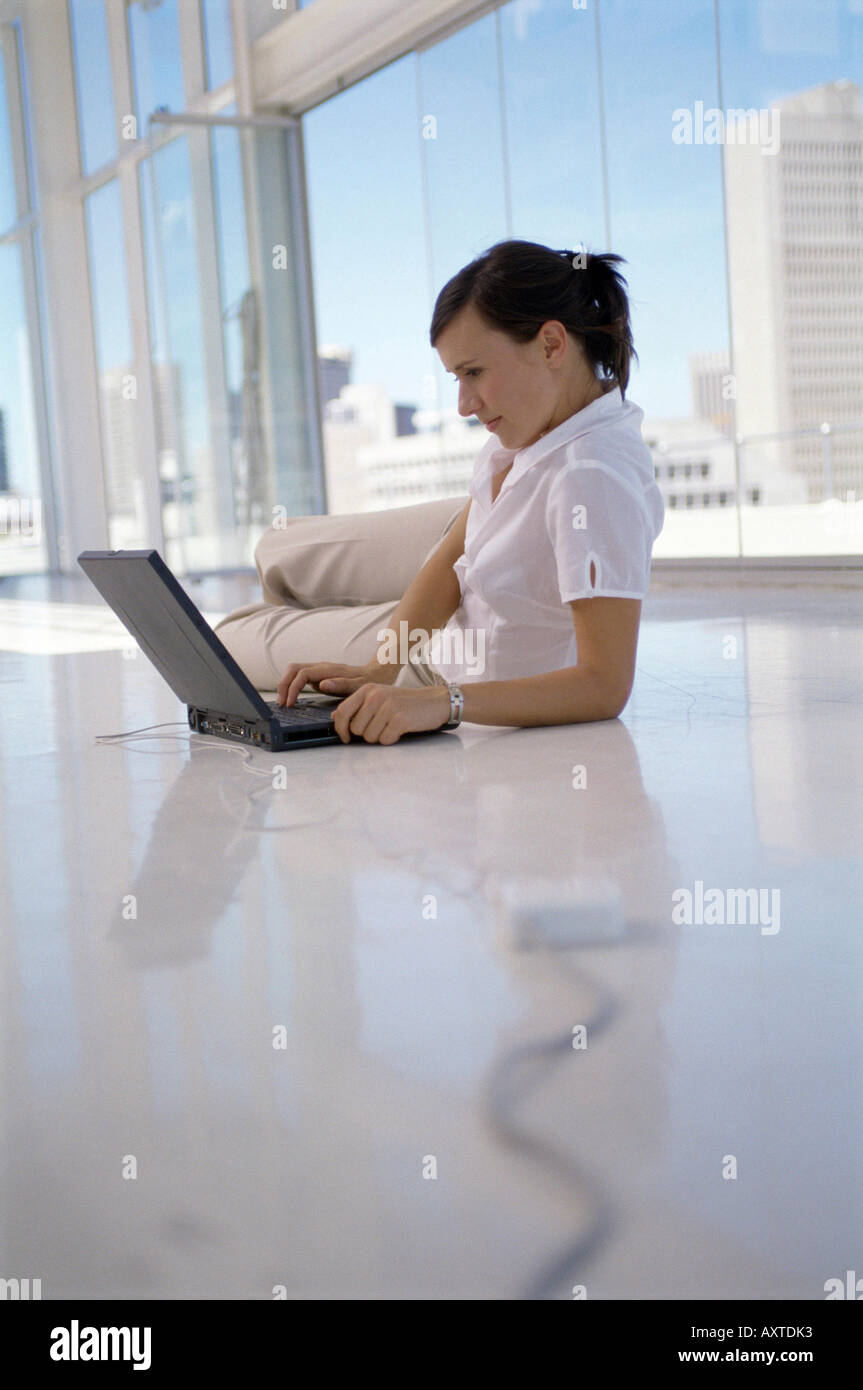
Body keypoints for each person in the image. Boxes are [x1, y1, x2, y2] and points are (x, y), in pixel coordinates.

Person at [213, 239, 664, 745]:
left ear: (552, 344)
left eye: (473, 372)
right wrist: (380, 668)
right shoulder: (531, 432)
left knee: (228, 639)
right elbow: (453, 554)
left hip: (449, 659)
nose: (463, 405)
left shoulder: (592, 478)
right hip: (463, 593)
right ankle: (315, 611)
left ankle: (293, 618)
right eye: (455, 377)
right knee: (277, 547)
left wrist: (441, 702)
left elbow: (604, 686)